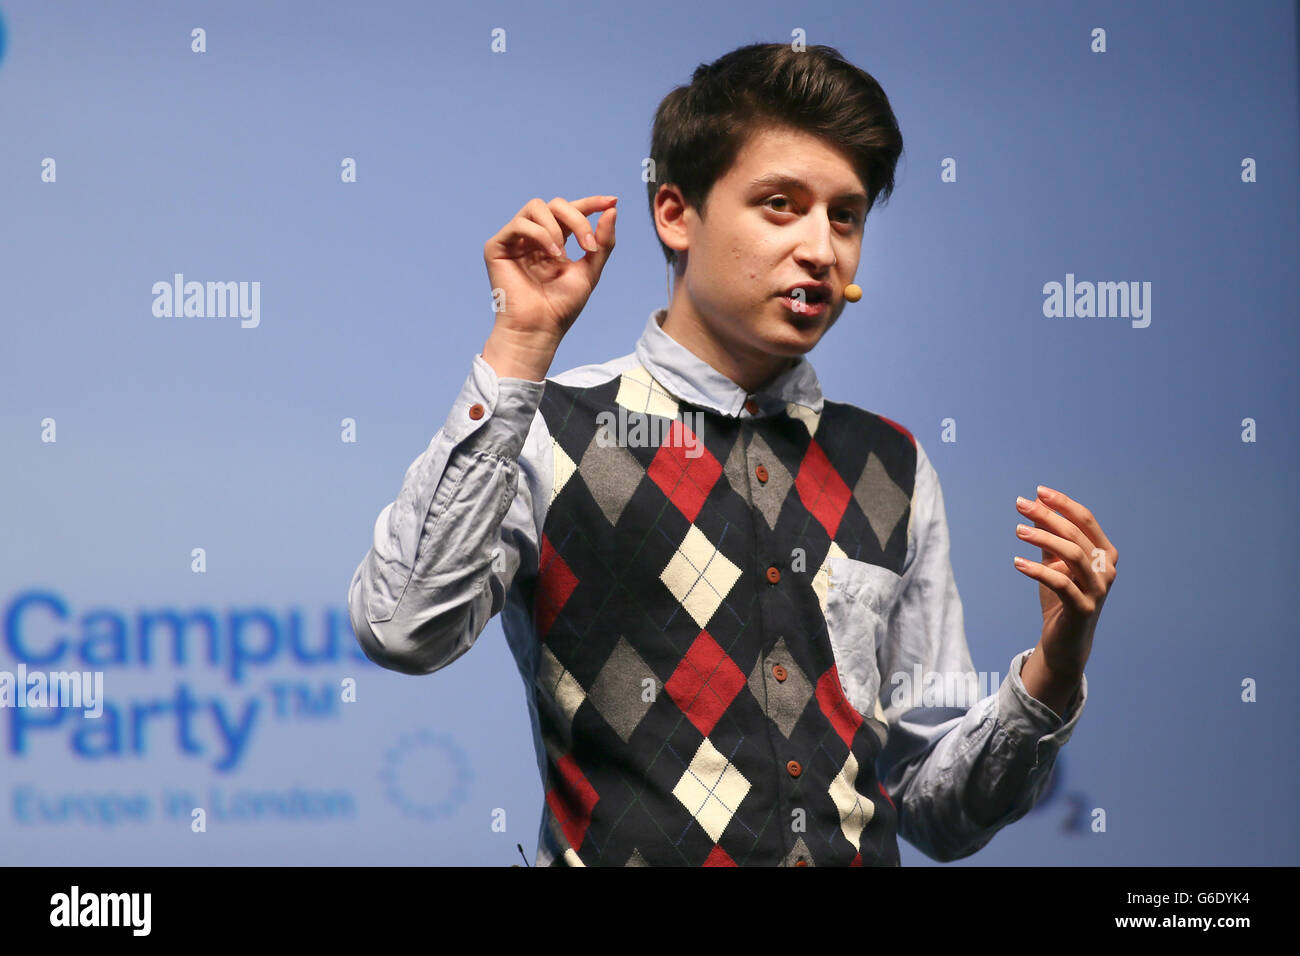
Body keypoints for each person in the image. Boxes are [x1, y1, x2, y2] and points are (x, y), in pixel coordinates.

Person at [347, 42, 1118, 867]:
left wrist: (1054, 671)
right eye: (781, 205)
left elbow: (938, 810)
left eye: (846, 216)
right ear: (675, 214)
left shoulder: (889, 466)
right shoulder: (552, 425)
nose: (822, 249)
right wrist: (519, 344)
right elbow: (402, 629)